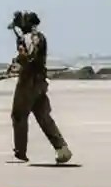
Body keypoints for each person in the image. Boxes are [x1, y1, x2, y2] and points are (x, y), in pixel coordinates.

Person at [9, 10, 72, 164]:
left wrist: (18, 61)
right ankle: (62, 149)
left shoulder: (28, 38)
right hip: (40, 82)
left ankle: (20, 151)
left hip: (28, 82)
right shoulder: (39, 37)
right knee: (43, 117)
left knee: (18, 115)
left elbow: (28, 57)